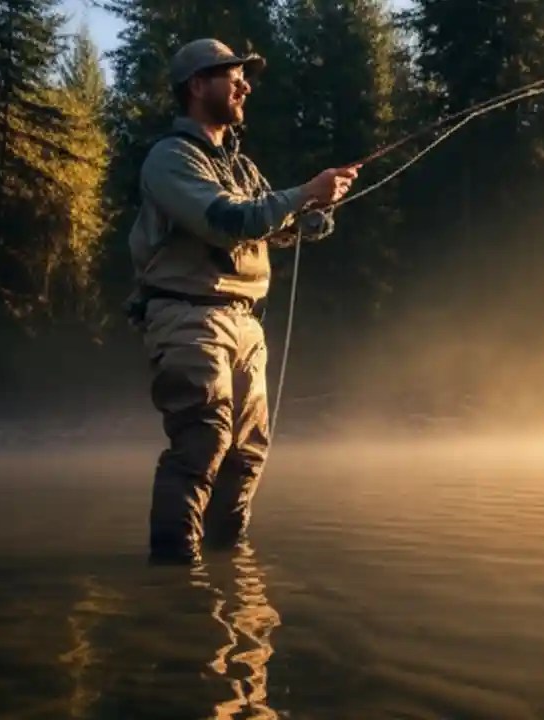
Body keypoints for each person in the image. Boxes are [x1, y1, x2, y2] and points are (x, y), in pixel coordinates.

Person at [125, 38, 359, 565]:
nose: (245, 85)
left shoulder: (240, 165)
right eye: (233, 77)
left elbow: (269, 224)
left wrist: (313, 212)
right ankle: (175, 580)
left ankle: (227, 575)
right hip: (187, 316)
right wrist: (303, 193)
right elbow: (227, 221)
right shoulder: (170, 158)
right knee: (203, 440)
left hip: (244, 324)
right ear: (197, 86)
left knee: (246, 455)